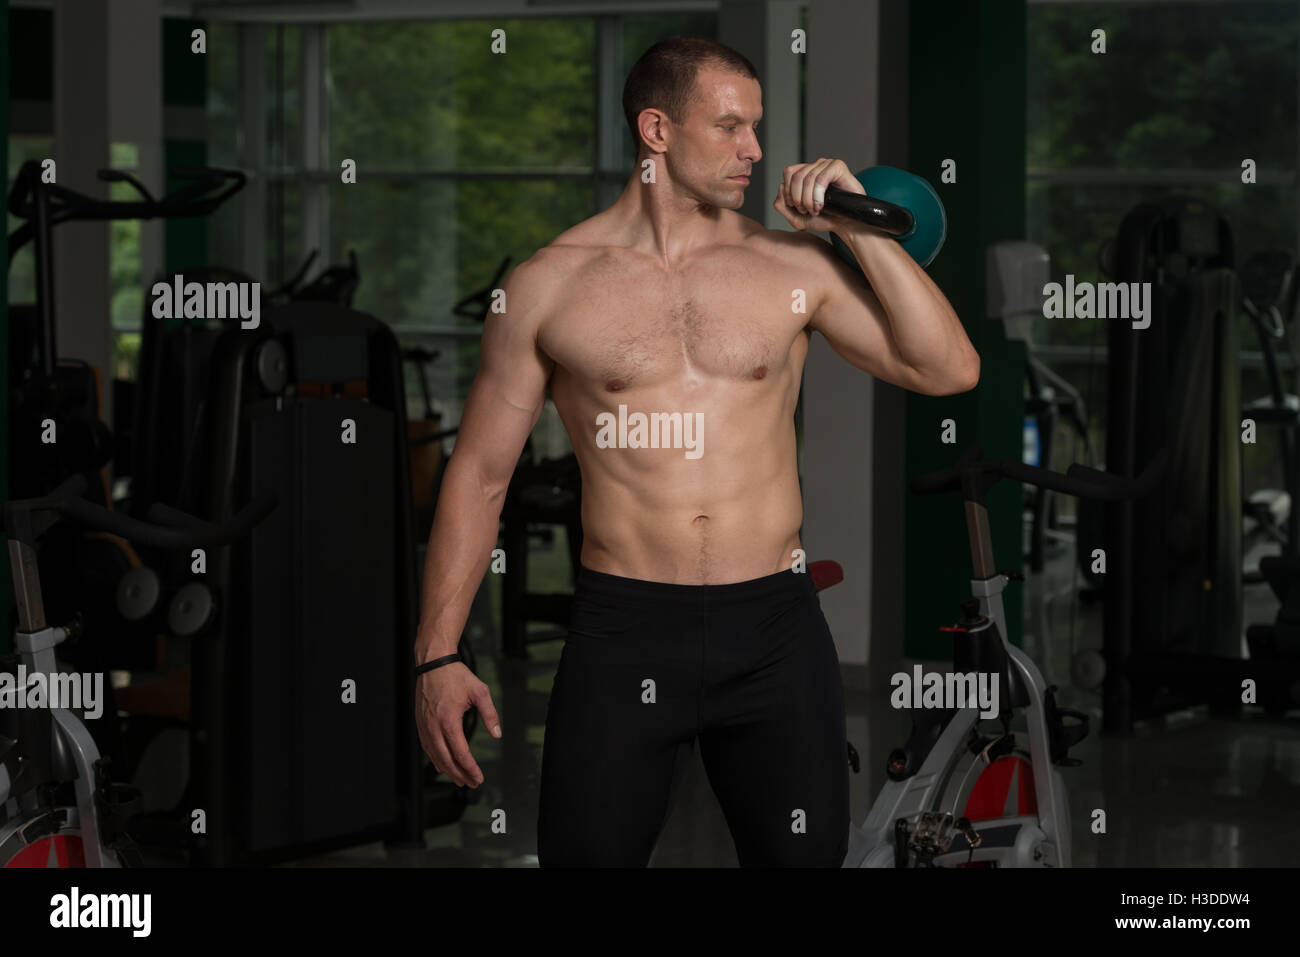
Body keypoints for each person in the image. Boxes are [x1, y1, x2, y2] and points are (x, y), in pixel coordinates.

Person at [413, 34, 977, 867]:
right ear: (657, 130)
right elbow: (481, 474)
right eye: (730, 127)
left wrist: (856, 226)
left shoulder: (790, 263)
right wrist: (437, 652)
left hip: (775, 633)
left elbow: (948, 368)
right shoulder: (547, 285)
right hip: (624, 629)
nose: (755, 149)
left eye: (756, 126)